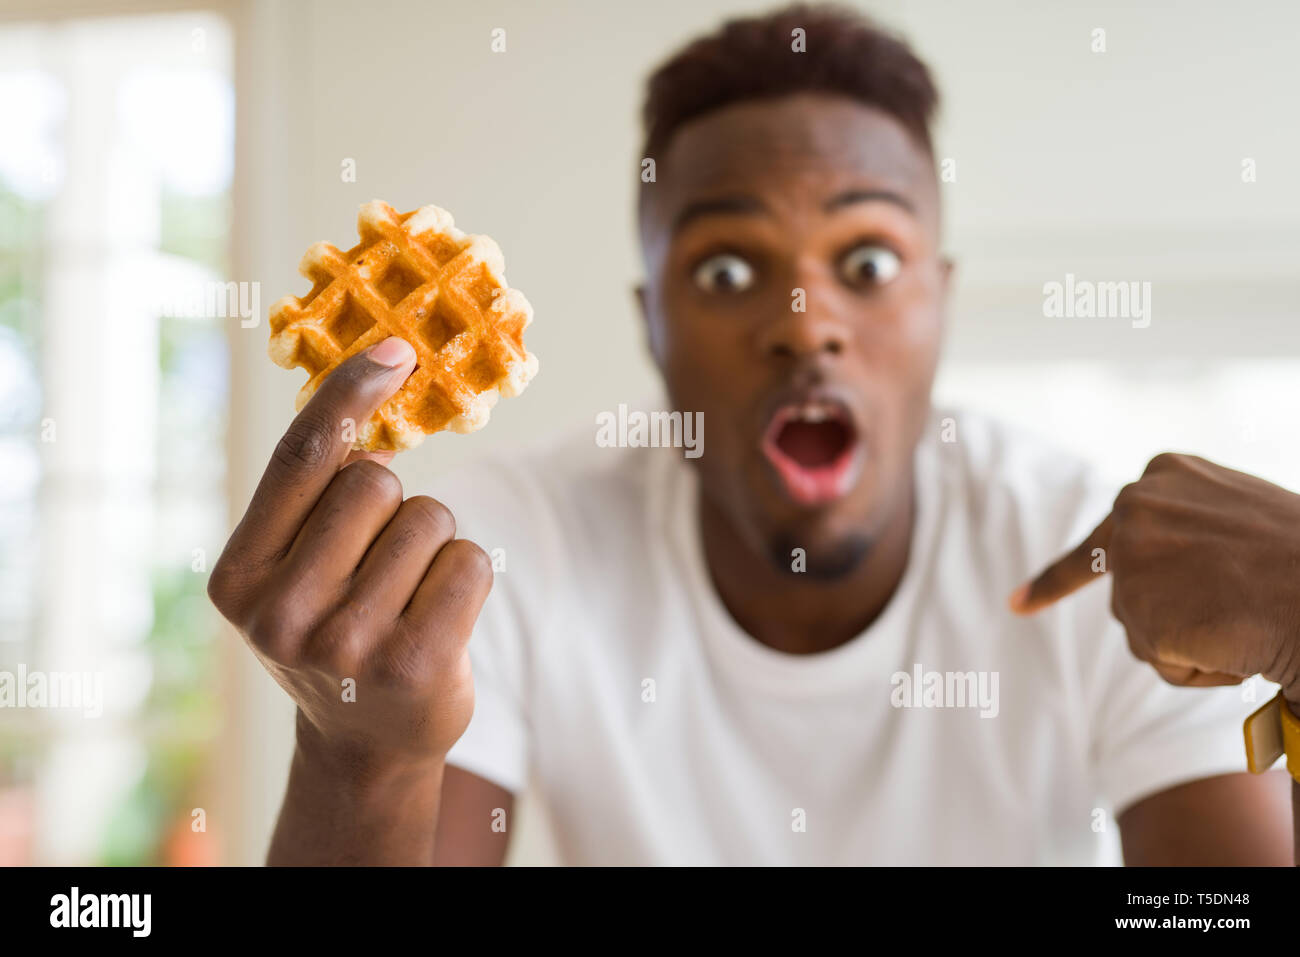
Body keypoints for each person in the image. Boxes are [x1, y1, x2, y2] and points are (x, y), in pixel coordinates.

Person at [207, 4, 1300, 865]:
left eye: (866, 262)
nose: (806, 324)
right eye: (727, 269)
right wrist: (360, 760)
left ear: (942, 301)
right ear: (652, 323)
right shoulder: (498, 553)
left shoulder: (1100, 561)